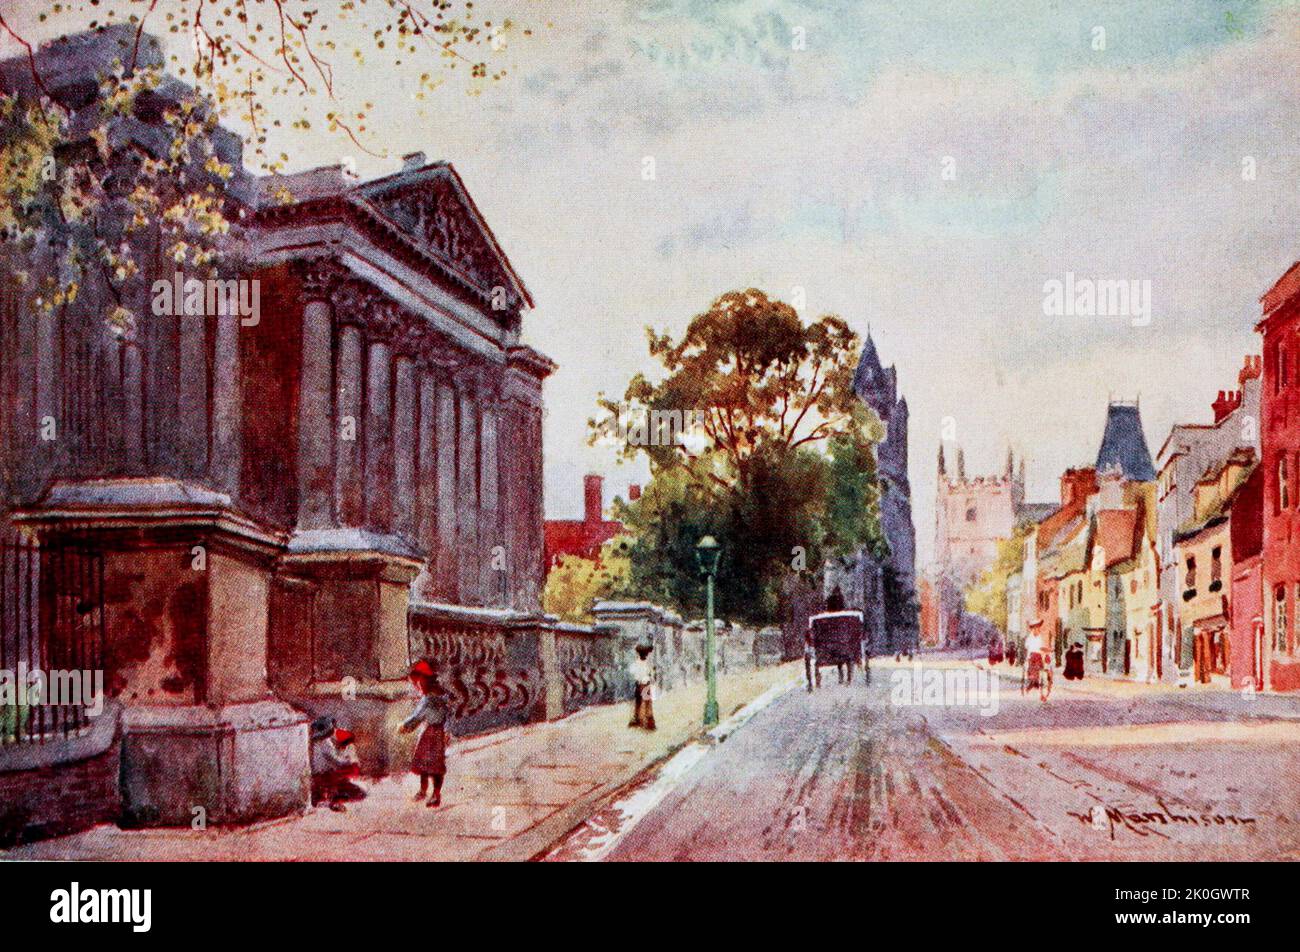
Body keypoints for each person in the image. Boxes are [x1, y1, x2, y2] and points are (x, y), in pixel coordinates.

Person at [400, 659, 449, 807]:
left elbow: (417, 716)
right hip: (435, 731)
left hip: (432, 732)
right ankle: (429, 792)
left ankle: (431, 793)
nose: (417, 685)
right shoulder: (442, 695)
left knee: (430, 764)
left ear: (425, 680)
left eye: (418, 681)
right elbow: (448, 715)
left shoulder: (428, 699)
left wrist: (404, 725)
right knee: (431, 764)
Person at [309, 717, 365, 812]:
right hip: (324, 774)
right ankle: (334, 800)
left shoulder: (316, 744)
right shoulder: (325, 743)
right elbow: (335, 760)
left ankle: (330, 798)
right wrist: (349, 761)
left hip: (318, 774)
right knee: (351, 783)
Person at [628, 644, 656, 730]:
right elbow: (651, 673)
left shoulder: (637, 663)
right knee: (647, 702)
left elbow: (632, 672)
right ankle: (648, 721)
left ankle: (638, 719)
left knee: (638, 702)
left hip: (639, 683)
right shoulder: (647, 663)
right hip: (645, 684)